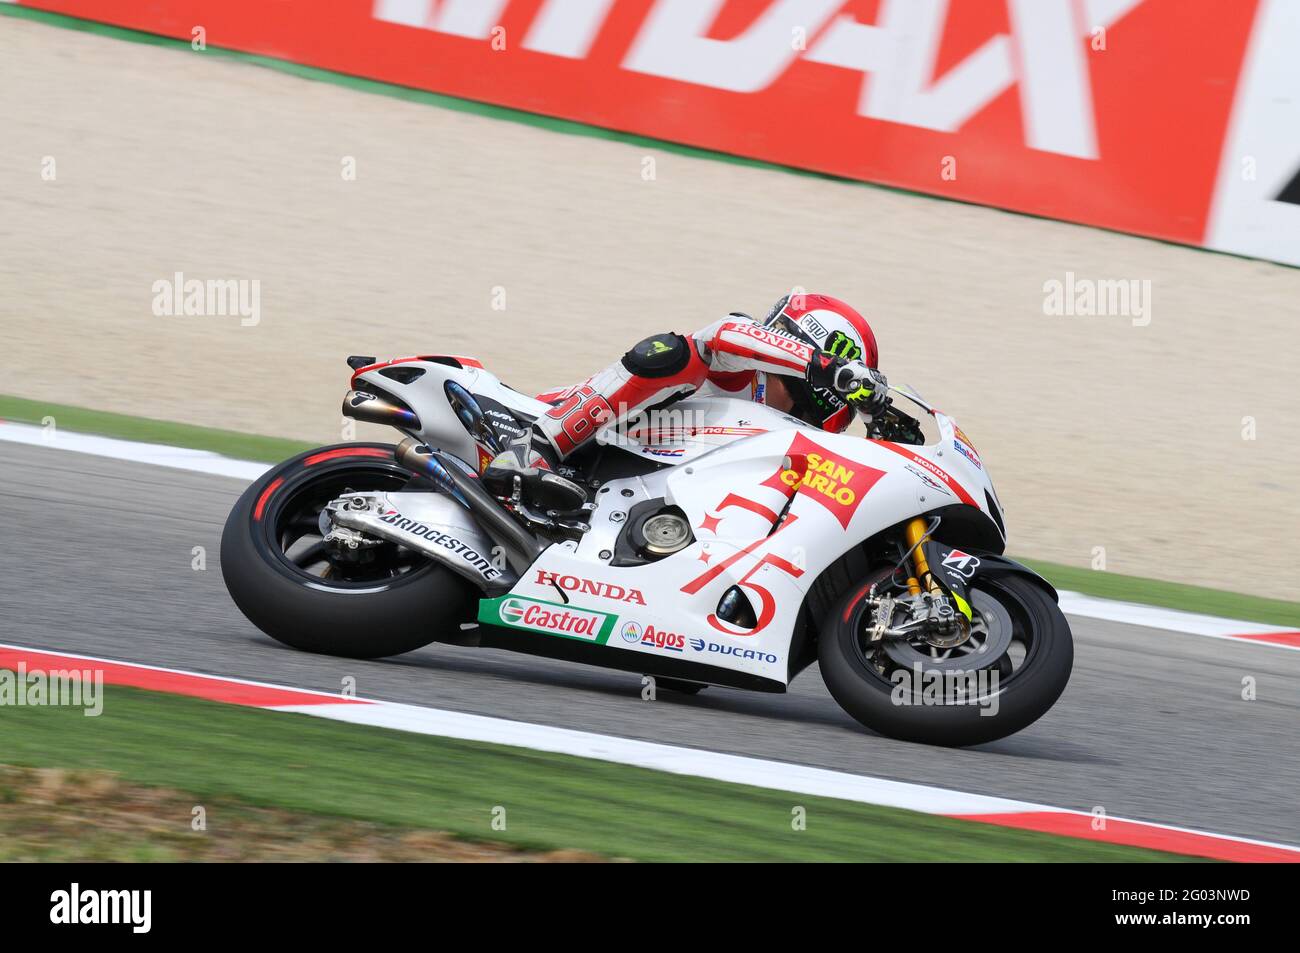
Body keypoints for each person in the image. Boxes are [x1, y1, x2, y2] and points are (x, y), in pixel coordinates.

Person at [482, 292, 888, 512]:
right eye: (851, 389)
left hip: (634, 497)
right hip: (557, 429)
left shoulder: (784, 437)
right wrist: (827, 367)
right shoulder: (740, 364)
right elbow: (724, 334)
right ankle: (534, 446)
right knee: (679, 352)